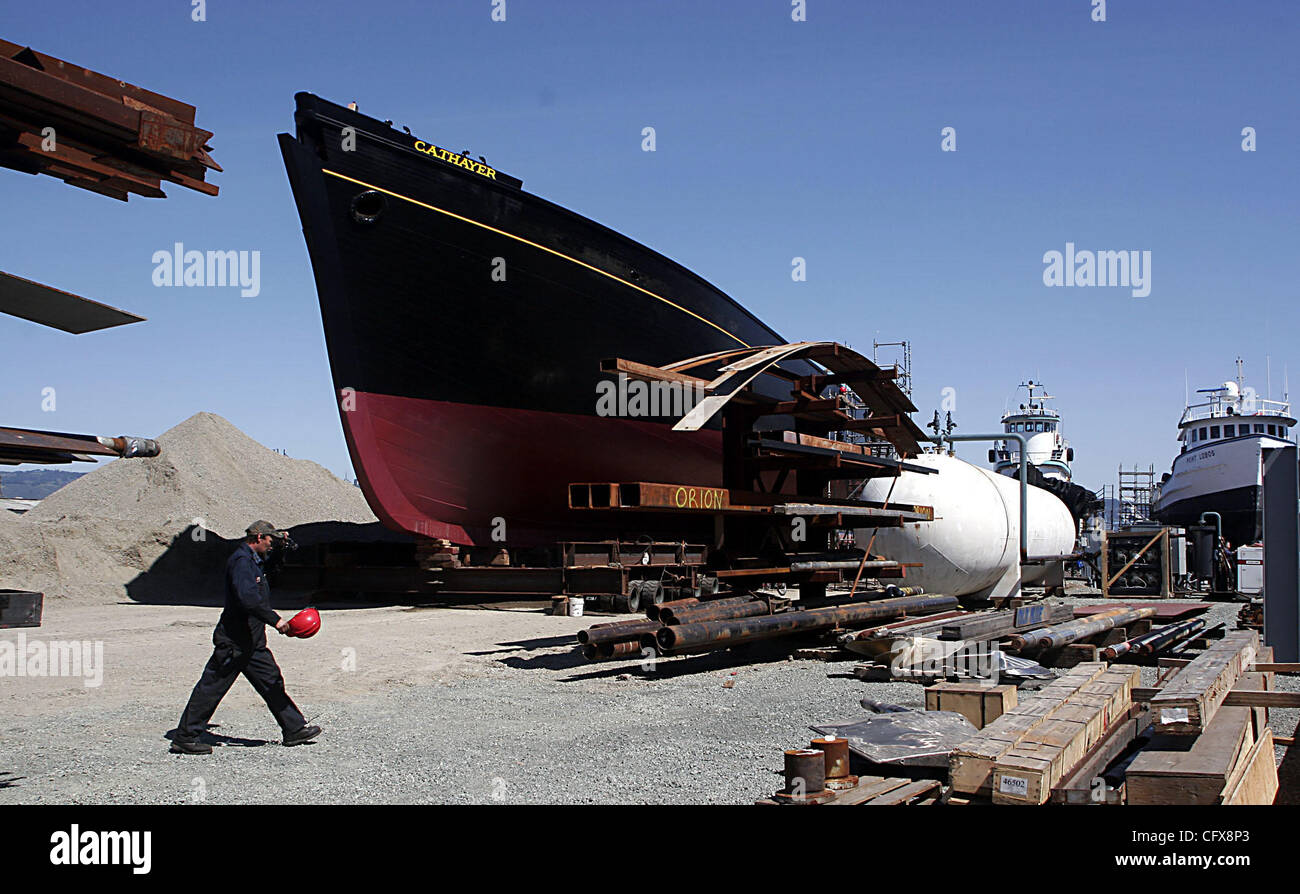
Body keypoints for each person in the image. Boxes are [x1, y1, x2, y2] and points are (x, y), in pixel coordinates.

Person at [171, 520, 321, 754]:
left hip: (252, 641)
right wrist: (276, 621)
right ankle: (185, 737)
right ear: (258, 537)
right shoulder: (241, 562)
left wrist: (280, 549)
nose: (272, 545)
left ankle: (294, 729)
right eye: (270, 541)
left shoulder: (254, 561)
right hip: (234, 640)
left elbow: (271, 572)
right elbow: (248, 599)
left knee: (272, 681)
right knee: (212, 687)